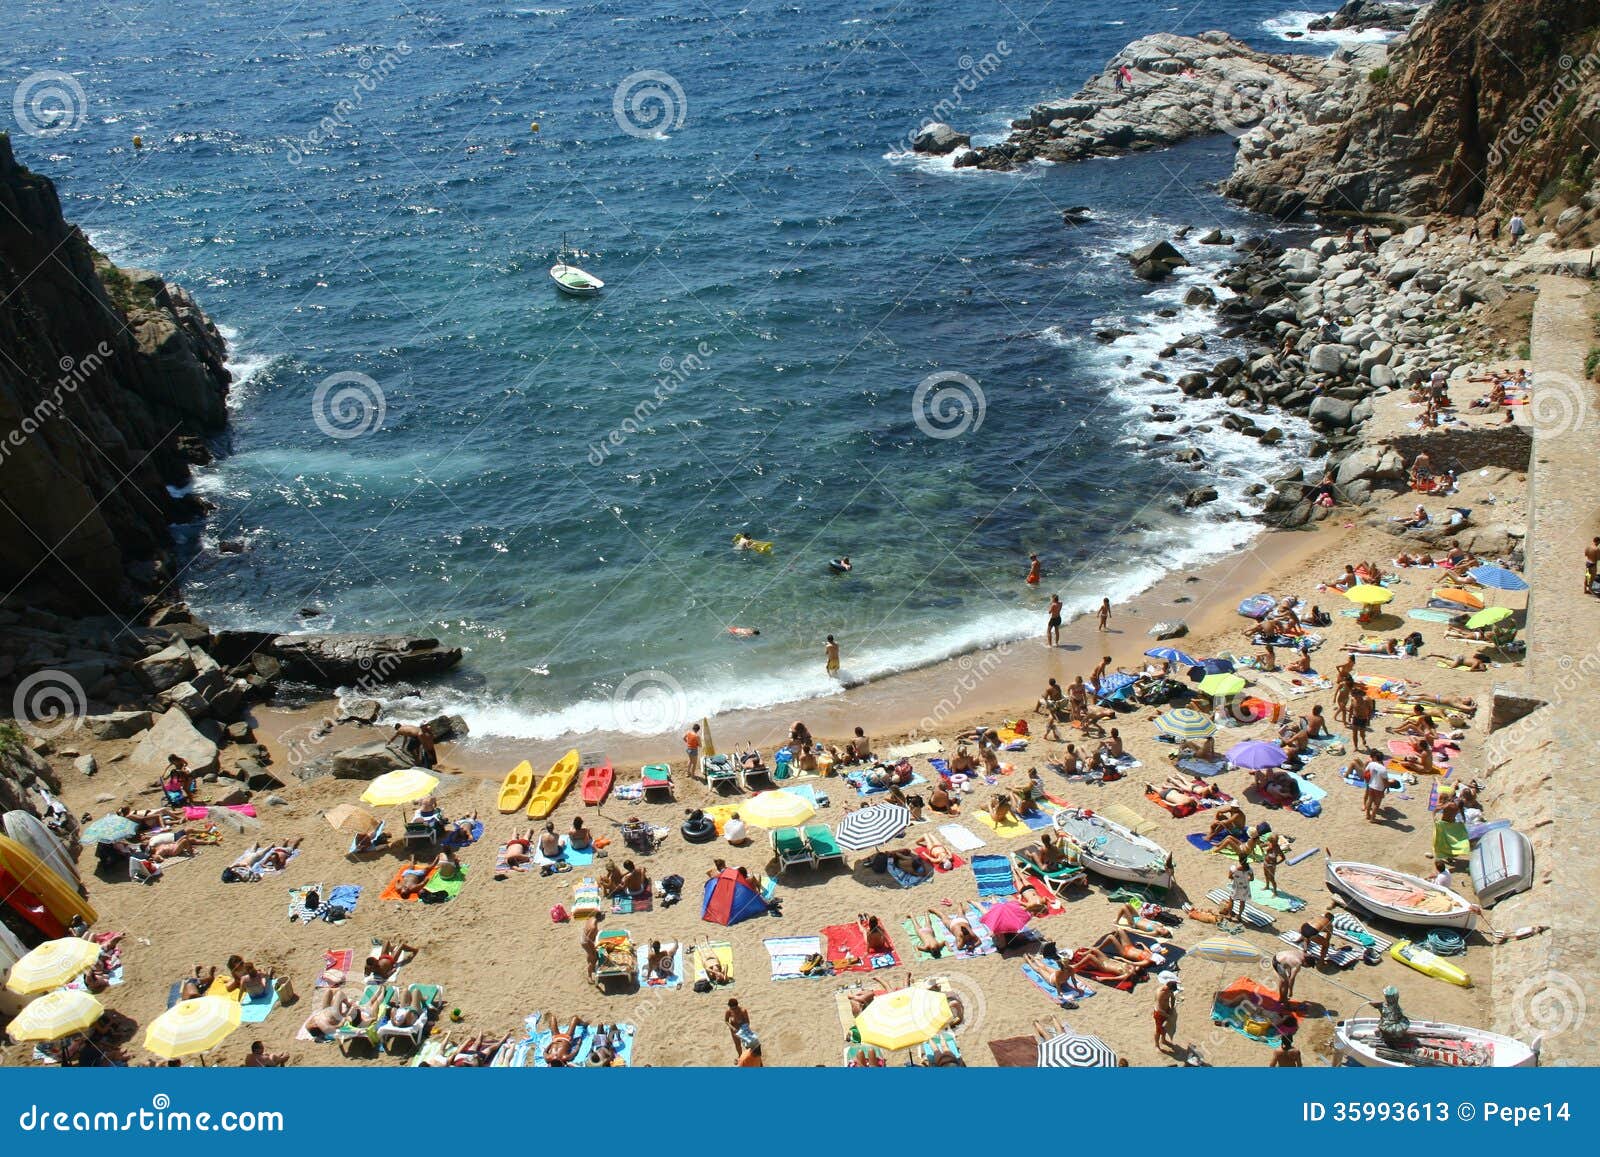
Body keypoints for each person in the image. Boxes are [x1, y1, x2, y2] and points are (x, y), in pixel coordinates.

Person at [1363, 753, 1391, 822]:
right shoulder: (1383, 769)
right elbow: (1385, 781)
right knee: (1376, 803)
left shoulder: (1371, 764)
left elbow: (1366, 772)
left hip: (1371, 785)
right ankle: (1372, 818)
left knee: (1370, 800)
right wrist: (1387, 788)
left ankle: (1367, 815)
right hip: (1379, 788)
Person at [1153, 977, 1178, 1051]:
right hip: (1159, 1014)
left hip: (1167, 1010)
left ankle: (1163, 1040)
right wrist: (1168, 1016)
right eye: (1171, 991)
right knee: (1158, 1030)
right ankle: (1156, 1045)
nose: (1171, 992)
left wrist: (1172, 1008)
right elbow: (1157, 1008)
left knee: (1165, 1028)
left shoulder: (1170, 990)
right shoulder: (1160, 993)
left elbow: (1173, 998)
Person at [1227, 858, 1253, 922]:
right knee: (1242, 902)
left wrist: (1237, 878)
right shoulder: (1249, 869)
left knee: (1231, 900)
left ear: (1239, 861)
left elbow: (1230, 877)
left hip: (1236, 887)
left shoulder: (1234, 869)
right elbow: (1252, 879)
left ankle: (1229, 915)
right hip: (1245, 888)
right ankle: (1239, 916)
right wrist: (1245, 879)